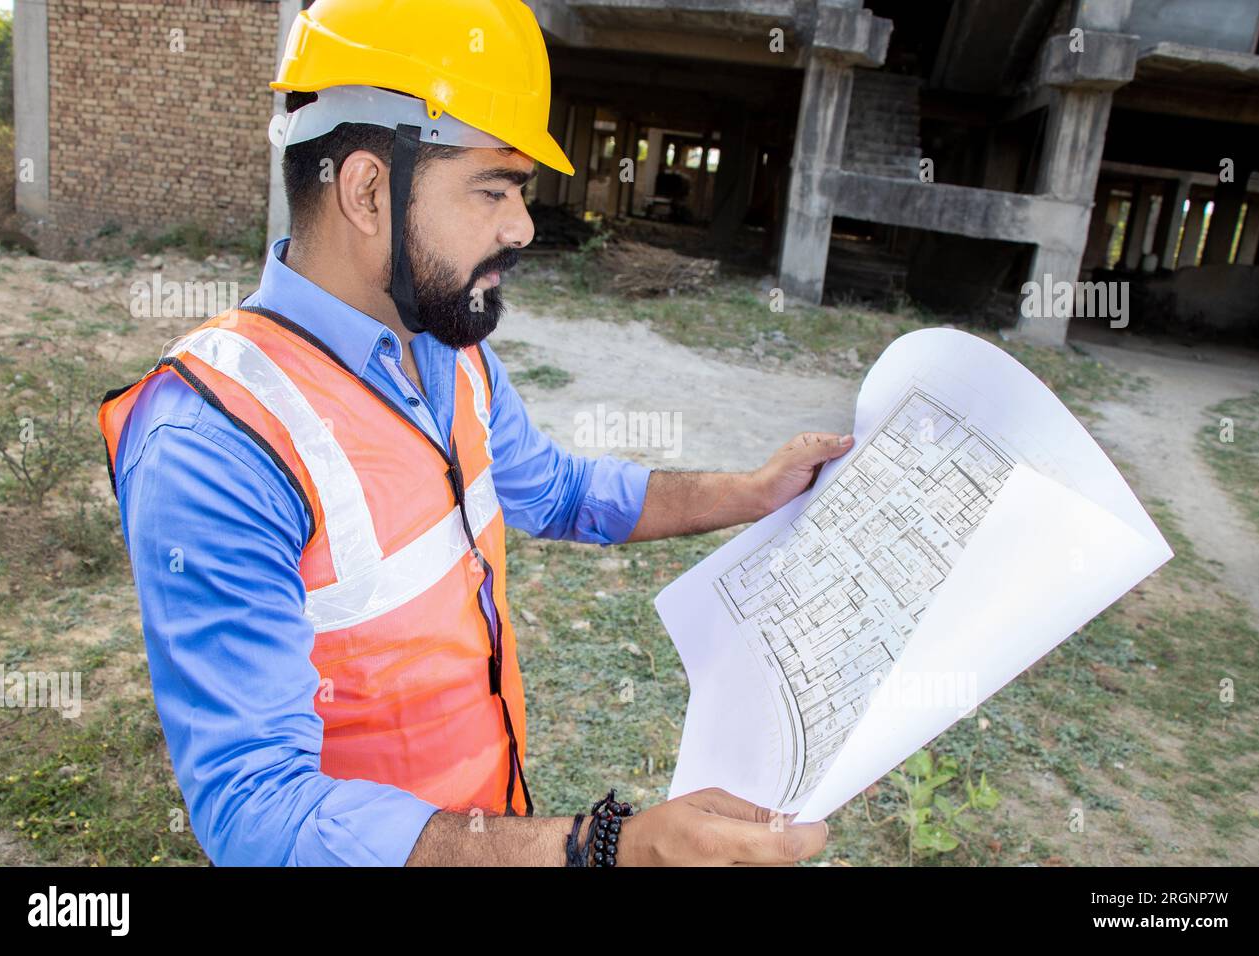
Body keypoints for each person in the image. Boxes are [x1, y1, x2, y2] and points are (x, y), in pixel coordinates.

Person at [97, 0, 853, 866]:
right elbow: (260, 813)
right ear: (369, 191)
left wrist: (747, 493)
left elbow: (559, 490)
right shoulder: (211, 442)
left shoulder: (446, 355)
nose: (523, 226)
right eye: (493, 188)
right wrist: (598, 851)